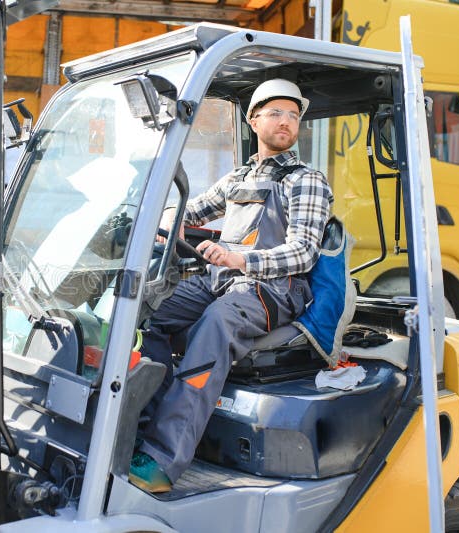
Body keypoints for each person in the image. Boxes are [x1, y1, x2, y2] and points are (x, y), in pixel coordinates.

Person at [129, 79, 334, 493]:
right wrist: (163, 219)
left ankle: (164, 458)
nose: (287, 122)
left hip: (274, 289)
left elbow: (304, 251)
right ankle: (148, 427)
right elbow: (194, 209)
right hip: (223, 281)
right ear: (253, 119)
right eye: (276, 112)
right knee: (149, 313)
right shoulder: (239, 178)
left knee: (213, 328)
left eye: (293, 116)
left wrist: (243, 259)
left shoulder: (305, 179)